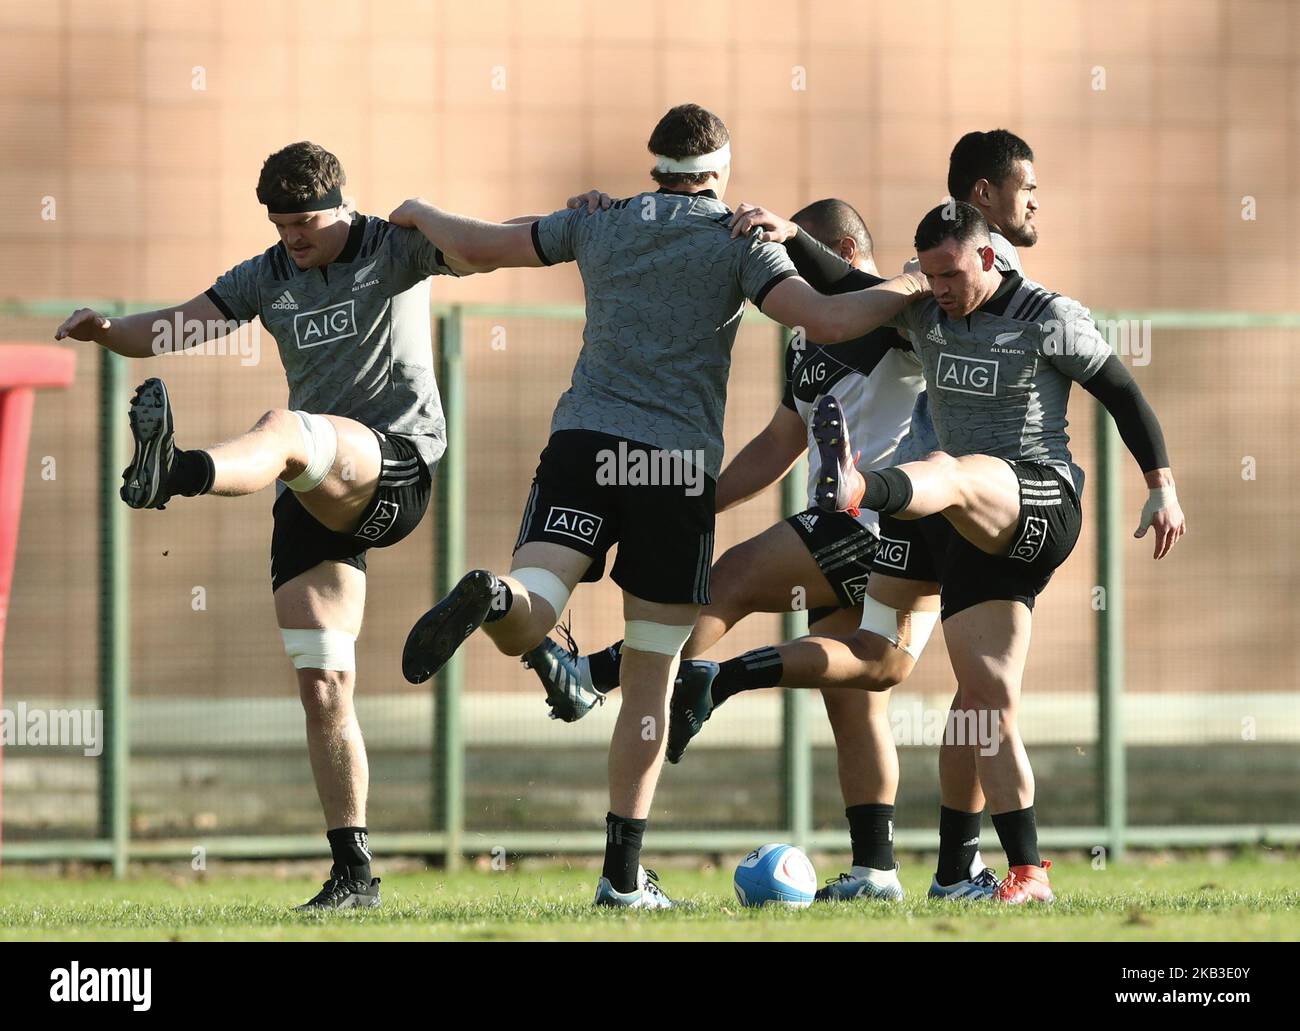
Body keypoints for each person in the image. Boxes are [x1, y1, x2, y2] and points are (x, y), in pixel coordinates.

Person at [394, 103, 928, 907]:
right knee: (656, 676)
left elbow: (479, 244)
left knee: (539, 596)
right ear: (720, 174)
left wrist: (414, 210)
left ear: (655, 170)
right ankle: (621, 877)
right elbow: (823, 316)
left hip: (585, 445)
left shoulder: (597, 223)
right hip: (674, 466)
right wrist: (917, 283)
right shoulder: (737, 241)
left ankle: (504, 602)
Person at [54, 141, 569, 910]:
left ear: (342, 205)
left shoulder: (394, 248)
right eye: (281, 224)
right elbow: (175, 329)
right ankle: (354, 874)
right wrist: (106, 330)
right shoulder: (268, 274)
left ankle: (180, 472)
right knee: (322, 681)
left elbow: (487, 249)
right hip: (313, 492)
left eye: (305, 224)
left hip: (397, 465)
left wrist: (435, 212)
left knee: (286, 427)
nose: (294, 239)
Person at [668, 201, 1185, 904]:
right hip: (939, 514)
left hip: (1030, 494)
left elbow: (1122, 393)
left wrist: (1162, 487)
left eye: (949, 273)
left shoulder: (1047, 314)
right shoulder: (925, 313)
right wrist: (792, 239)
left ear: (989, 258)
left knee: (949, 465)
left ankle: (856, 484)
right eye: (928, 274)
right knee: (924, 676)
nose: (937, 286)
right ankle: (993, 874)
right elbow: (848, 288)